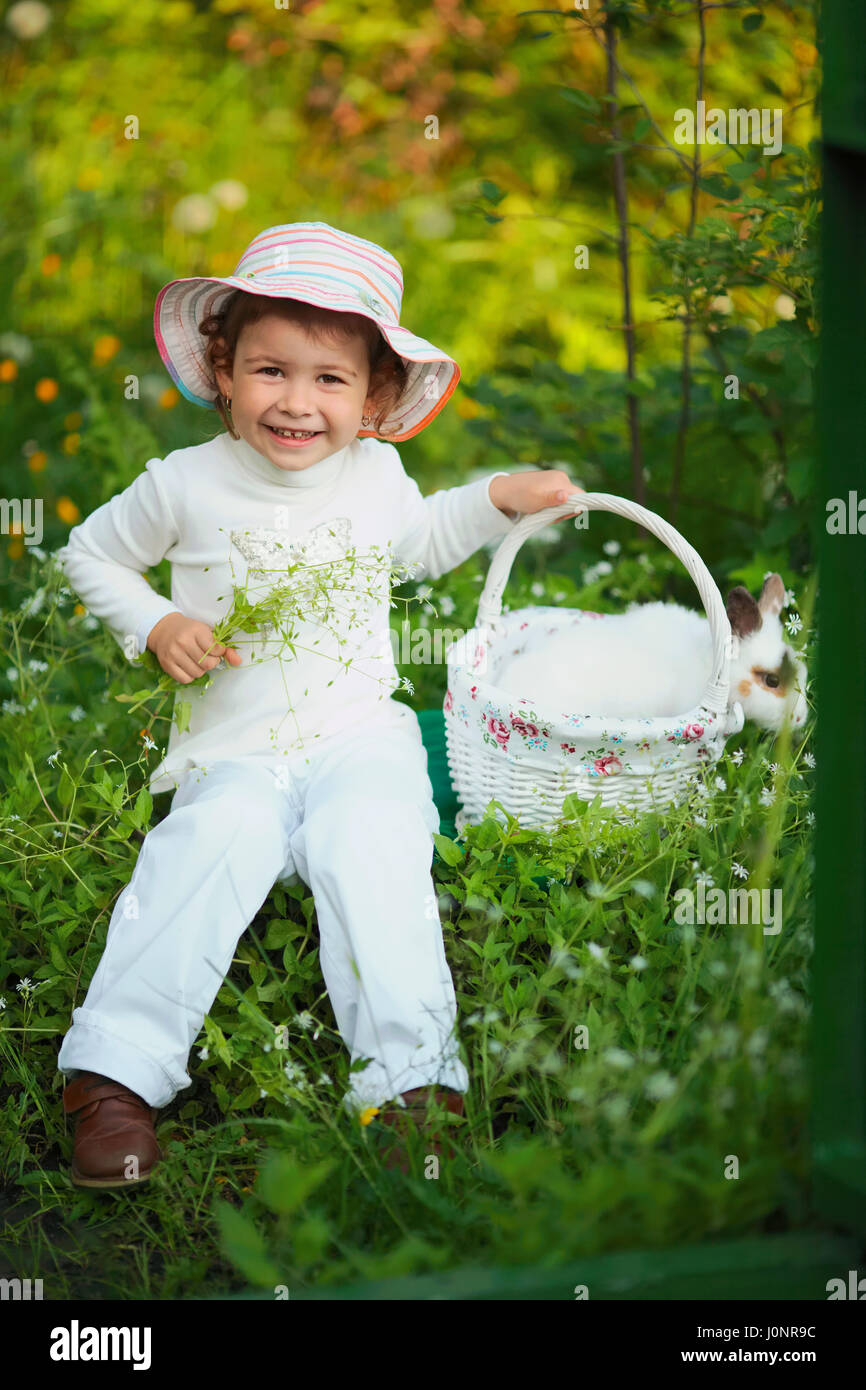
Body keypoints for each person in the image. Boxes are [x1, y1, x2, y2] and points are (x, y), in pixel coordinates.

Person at [56, 221, 583, 1186]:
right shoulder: (184, 483)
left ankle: (413, 1082)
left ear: (376, 396)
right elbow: (89, 552)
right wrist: (157, 620)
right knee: (208, 846)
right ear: (223, 370)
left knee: (373, 839)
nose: (296, 402)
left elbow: (421, 541)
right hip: (233, 746)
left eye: (330, 380)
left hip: (355, 734)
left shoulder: (377, 476)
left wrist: (500, 495)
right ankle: (114, 1076)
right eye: (269, 370)